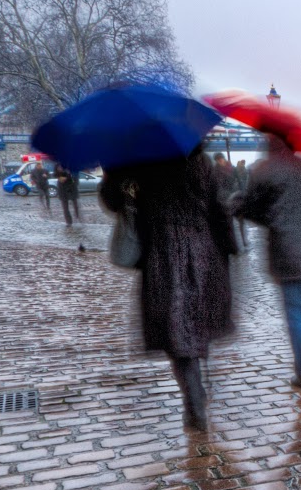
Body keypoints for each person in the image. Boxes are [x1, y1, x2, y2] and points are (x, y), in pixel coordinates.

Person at [100, 147, 238, 430]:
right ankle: (197, 390)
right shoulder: (202, 163)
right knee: (197, 324)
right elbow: (219, 210)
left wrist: (113, 172)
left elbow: (115, 202)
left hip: (164, 256)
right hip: (205, 254)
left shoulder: (143, 163)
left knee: (178, 334)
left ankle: (194, 398)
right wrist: (228, 248)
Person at [235, 135, 301, 389]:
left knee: (294, 313)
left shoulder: (266, 170)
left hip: (286, 251)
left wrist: (241, 203)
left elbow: (253, 209)